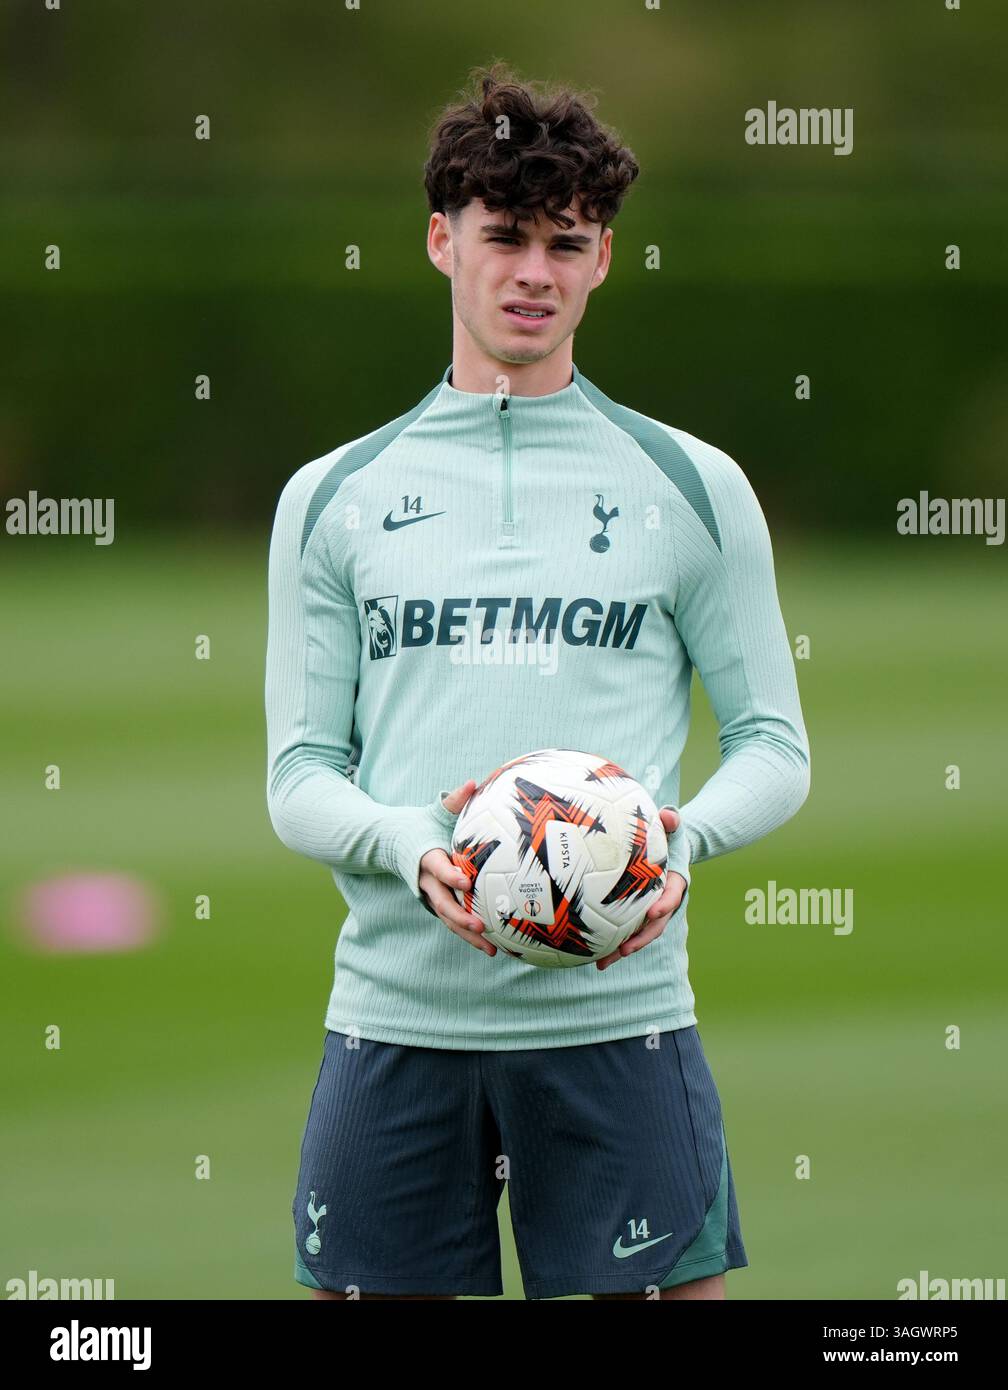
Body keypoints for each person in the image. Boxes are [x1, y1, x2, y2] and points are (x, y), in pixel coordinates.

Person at [264, 62, 810, 1301]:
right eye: (504, 236)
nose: (533, 272)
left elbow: (776, 741)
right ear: (441, 239)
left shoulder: (694, 486)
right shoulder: (332, 498)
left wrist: (676, 840)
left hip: (620, 1026)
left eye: (566, 243)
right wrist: (410, 846)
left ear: (604, 259)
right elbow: (299, 777)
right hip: (397, 1020)